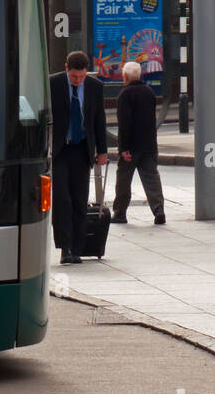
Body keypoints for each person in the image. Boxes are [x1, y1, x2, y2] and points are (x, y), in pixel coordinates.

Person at [49, 51, 108, 264]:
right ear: (67, 68)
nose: (78, 80)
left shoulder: (94, 87)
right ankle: (65, 248)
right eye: (74, 77)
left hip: (82, 149)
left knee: (79, 200)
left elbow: (99, 119)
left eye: (81, 77)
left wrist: (102, 151)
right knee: (62, 199)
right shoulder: (53, 84)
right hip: (60, 150)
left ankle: (77, 247)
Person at [111, 61, 165, 225]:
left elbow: (124, 124)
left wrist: (123, 148)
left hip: (131, 147)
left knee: (124, 179)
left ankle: (120, 213)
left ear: (125, 76)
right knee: (151, 178)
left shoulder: (125, 95)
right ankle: (159, 210)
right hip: (148, 144)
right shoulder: (149, 92)